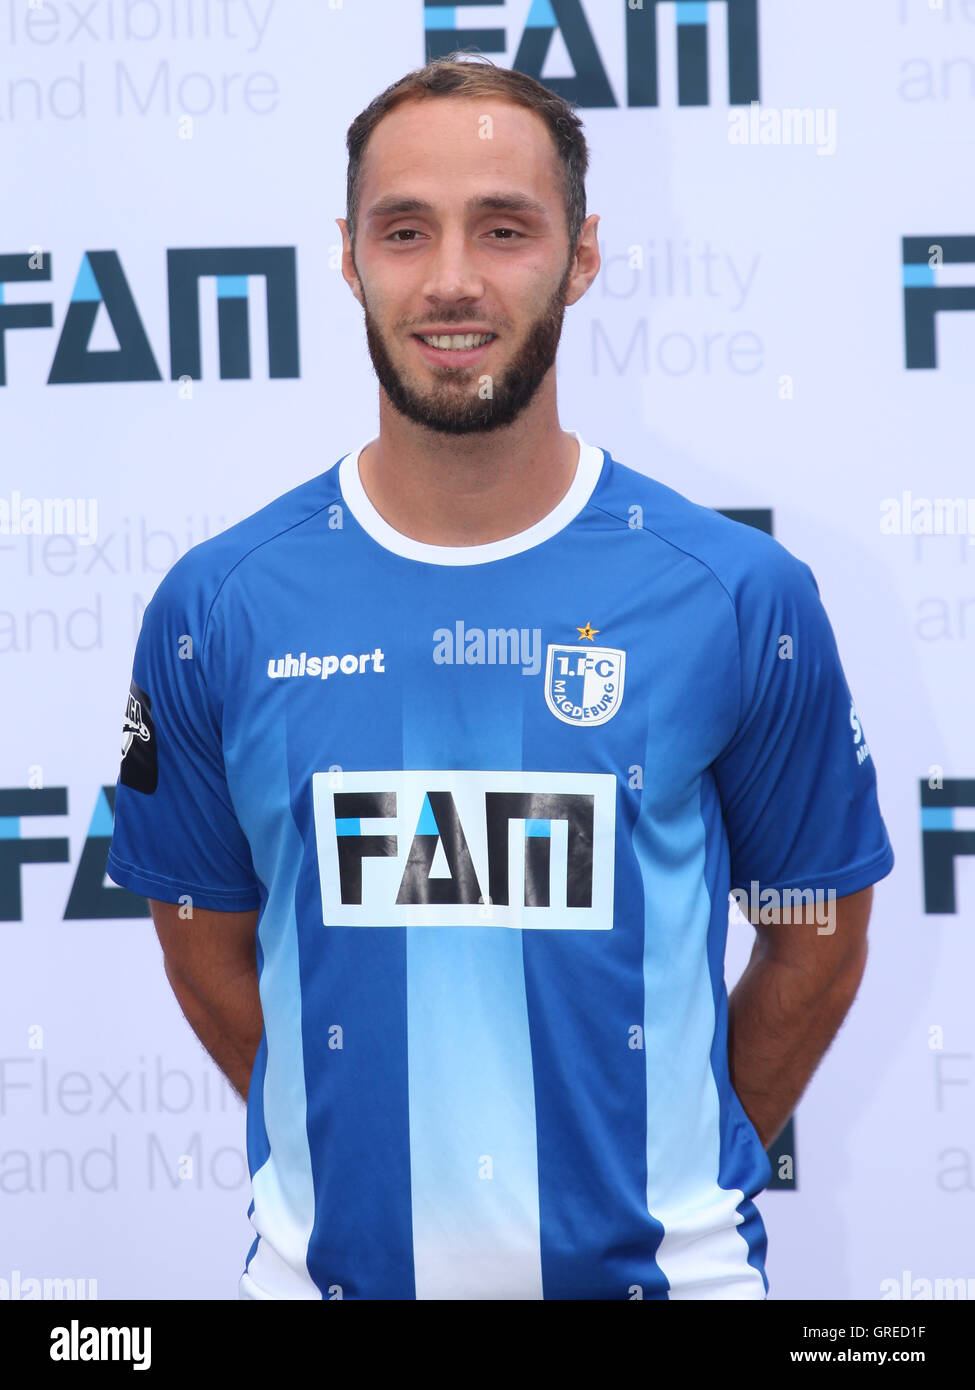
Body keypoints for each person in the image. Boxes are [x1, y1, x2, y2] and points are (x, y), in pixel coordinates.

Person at [107, 53, 894, 1301]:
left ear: (581, 257)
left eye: (506, 229)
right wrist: (348, 1144)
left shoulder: (737, 593)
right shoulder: (222, 603)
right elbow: (200, 925)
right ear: (350, 257)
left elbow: (817, 931)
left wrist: (680, 1154)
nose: (454, 280)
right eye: (406, 231)